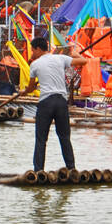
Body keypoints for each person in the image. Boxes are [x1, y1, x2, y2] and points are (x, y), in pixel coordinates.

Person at [26, 36, 92, 172]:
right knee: (64, 137)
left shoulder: (35, 65)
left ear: (38, 49)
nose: (32, 54)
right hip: (61, 102)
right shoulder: (60, 58)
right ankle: (71, 168)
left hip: (46, 103)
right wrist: (75, 54)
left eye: (33, 51)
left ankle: (38, 171)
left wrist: (24, 92)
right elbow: (84, 61)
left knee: (41, 140)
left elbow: (31, 88)